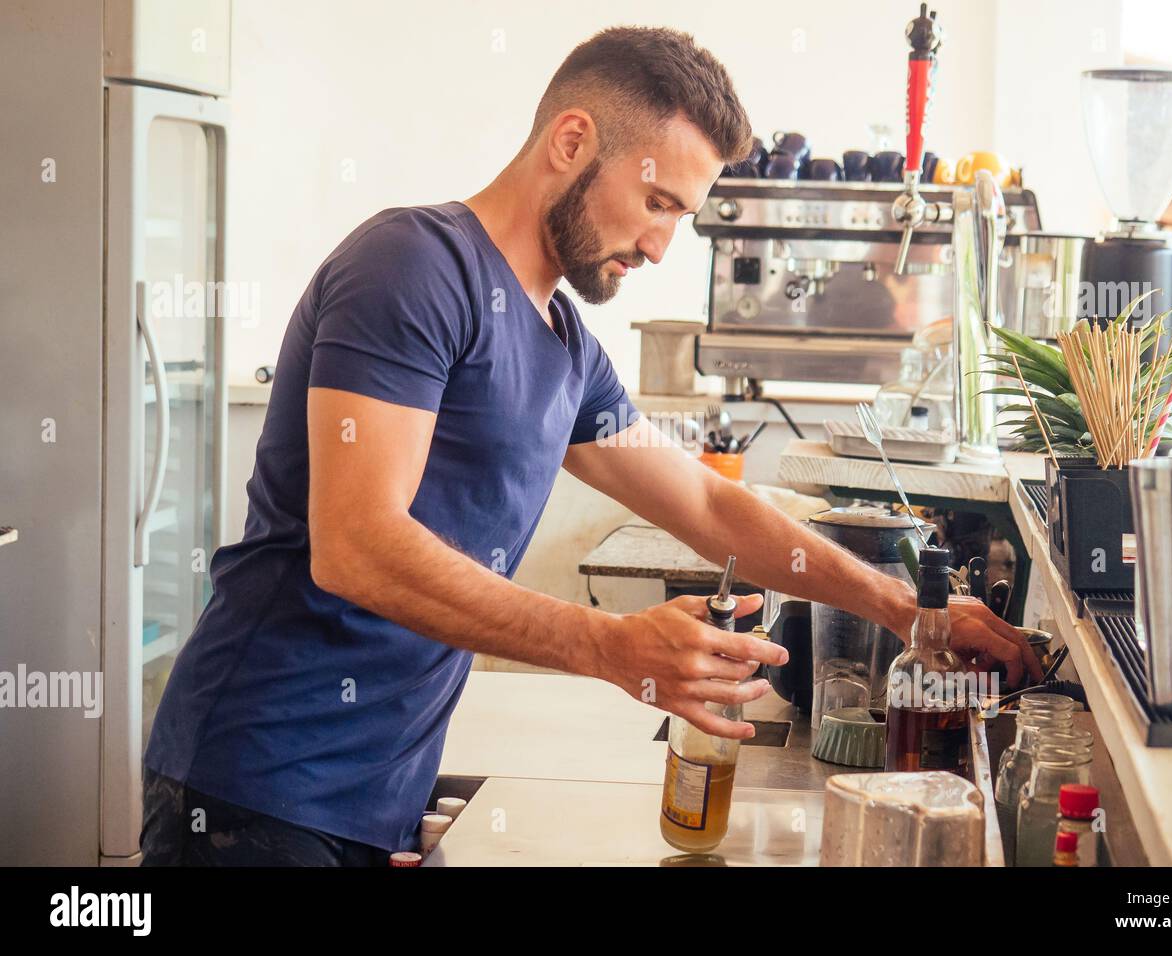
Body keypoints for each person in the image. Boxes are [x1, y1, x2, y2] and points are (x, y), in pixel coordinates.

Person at [141, 25, 1040, 866]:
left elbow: (708, 504)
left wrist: (905, 610)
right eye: (655, 201)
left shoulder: (565, 344)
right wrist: (610, 646)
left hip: (368, 794)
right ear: (570, 142)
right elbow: (356, 547)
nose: (658, 245)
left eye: (680, 216)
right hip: (256, 786)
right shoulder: (413, 266)